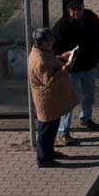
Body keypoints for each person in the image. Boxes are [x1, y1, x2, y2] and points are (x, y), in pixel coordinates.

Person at [53, 0, 99, 141]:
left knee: (89, 95)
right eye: (73, 10)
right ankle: (63, 131)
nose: (77, 12)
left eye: (79, 9)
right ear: (69, 10)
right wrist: (65, 58)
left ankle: (86, 118)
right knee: (69, 100)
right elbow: (55, 49)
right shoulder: (62, 26)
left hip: (90, 65)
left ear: (83, 7)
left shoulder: (90, 18)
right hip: (72, 71)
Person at [27, 27, 78, 167]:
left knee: (52, 128)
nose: (51, 43)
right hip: (46, 102)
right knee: (46, 131)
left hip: (51, 101)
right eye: (48, 42)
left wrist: (61, 57)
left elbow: (50, 60)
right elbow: (50, 81)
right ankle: (43, 159)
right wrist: (66, 68)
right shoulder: (40, 61)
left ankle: (49, 152)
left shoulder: (41, 52)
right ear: (41, 43)